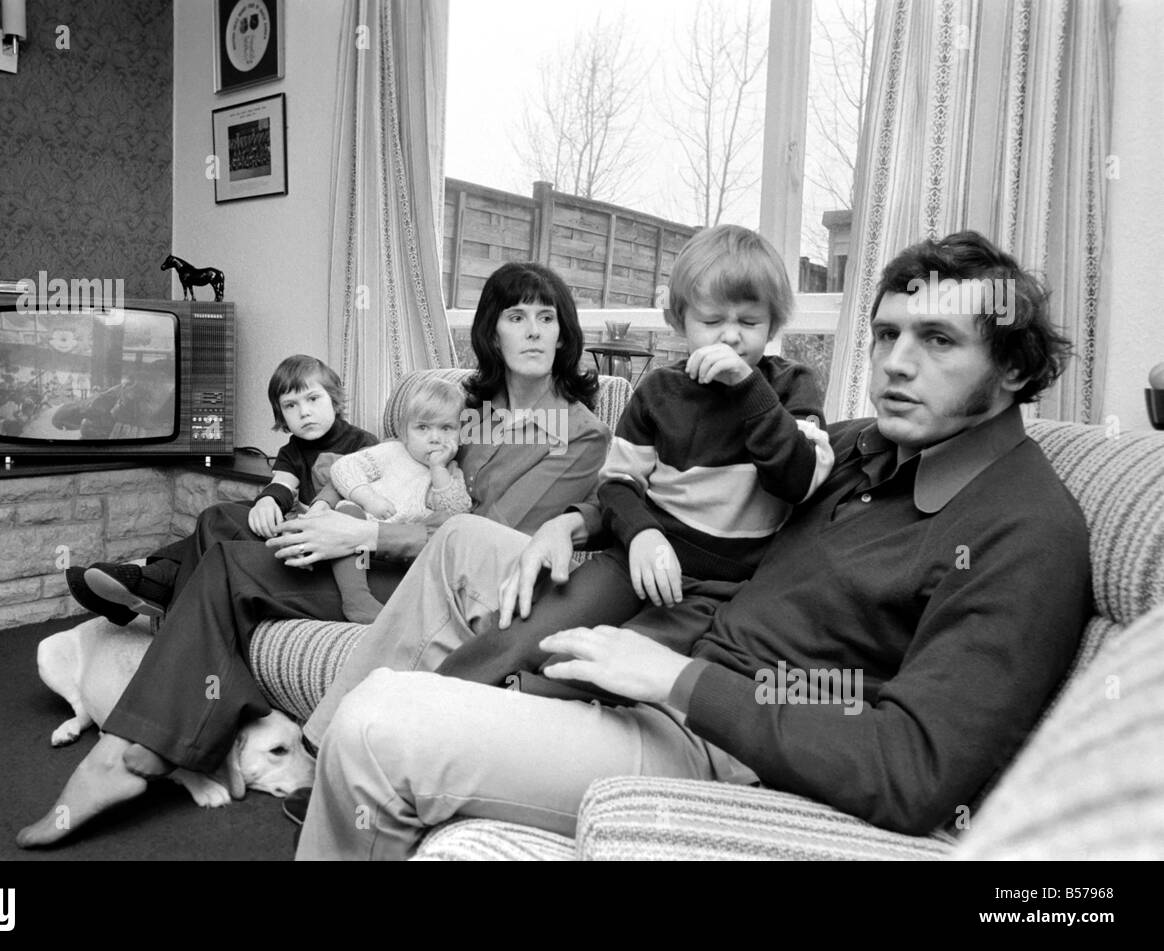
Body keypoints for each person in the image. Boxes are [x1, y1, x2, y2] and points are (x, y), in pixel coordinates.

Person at [293, 230, 1094, 860]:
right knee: (465, 539)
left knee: (383, 724)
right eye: (886, 334)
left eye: (939, 340)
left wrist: (681, 680)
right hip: (666, 622)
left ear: (1016, 368)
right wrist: (574, 523)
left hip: (716, 736)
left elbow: (913, 765)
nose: (896, 364)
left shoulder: (1024, 530)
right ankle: (315, 753)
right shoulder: (863, 448)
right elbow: (684, 485)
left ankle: (354, 758)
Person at [17, 261, 611, 848]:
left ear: (564, 333)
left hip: (431, 585)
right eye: (516, 315)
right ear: (493, 329)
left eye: (546, 317)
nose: (533, 330)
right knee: (224, 528)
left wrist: (359, 537)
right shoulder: (466, 407)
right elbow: (391, 469)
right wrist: (331, 509)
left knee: (225, 563)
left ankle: (128, 737)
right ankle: (162, 699)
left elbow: (482, 541)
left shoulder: (578, 433)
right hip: (380, 545)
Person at [433, 225, 834, 698]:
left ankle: (518, 704)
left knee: (591, 668)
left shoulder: (790, 388)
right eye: (711, 321)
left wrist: (750, 390)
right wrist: (643, 533)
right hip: (633, 557)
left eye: (749, 322)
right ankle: (419, 706)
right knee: (519, 635)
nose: (730, 336)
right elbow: (618, 483)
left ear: (773, 323)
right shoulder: (658, 393)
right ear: (680, 320)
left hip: (721, 590)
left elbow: (797, 480)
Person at [64, 354, 377, 622]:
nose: (304, 412)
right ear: (281, 415)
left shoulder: (363, 444)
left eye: (313, 399)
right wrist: (268, 500)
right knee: (217, 516)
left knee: (220, 527)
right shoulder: (291, 451)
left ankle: (149, 583)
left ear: (334, 399)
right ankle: (151, 581)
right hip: (295, 531)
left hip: (331, 551)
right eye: (291, 405)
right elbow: (283, 484)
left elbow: (366, 505)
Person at [322, 377, 471, 622]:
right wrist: (368, 498)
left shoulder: (449, 472)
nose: (435, 438)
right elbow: (343, 468)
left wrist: (438, 469)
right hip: (357, 535)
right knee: (349, 514)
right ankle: (357, 599)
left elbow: (455, 512)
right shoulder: (392, 452)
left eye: (446, 428)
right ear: (404, 432)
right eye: (423, 427)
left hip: (396, 552)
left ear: (461, 435)